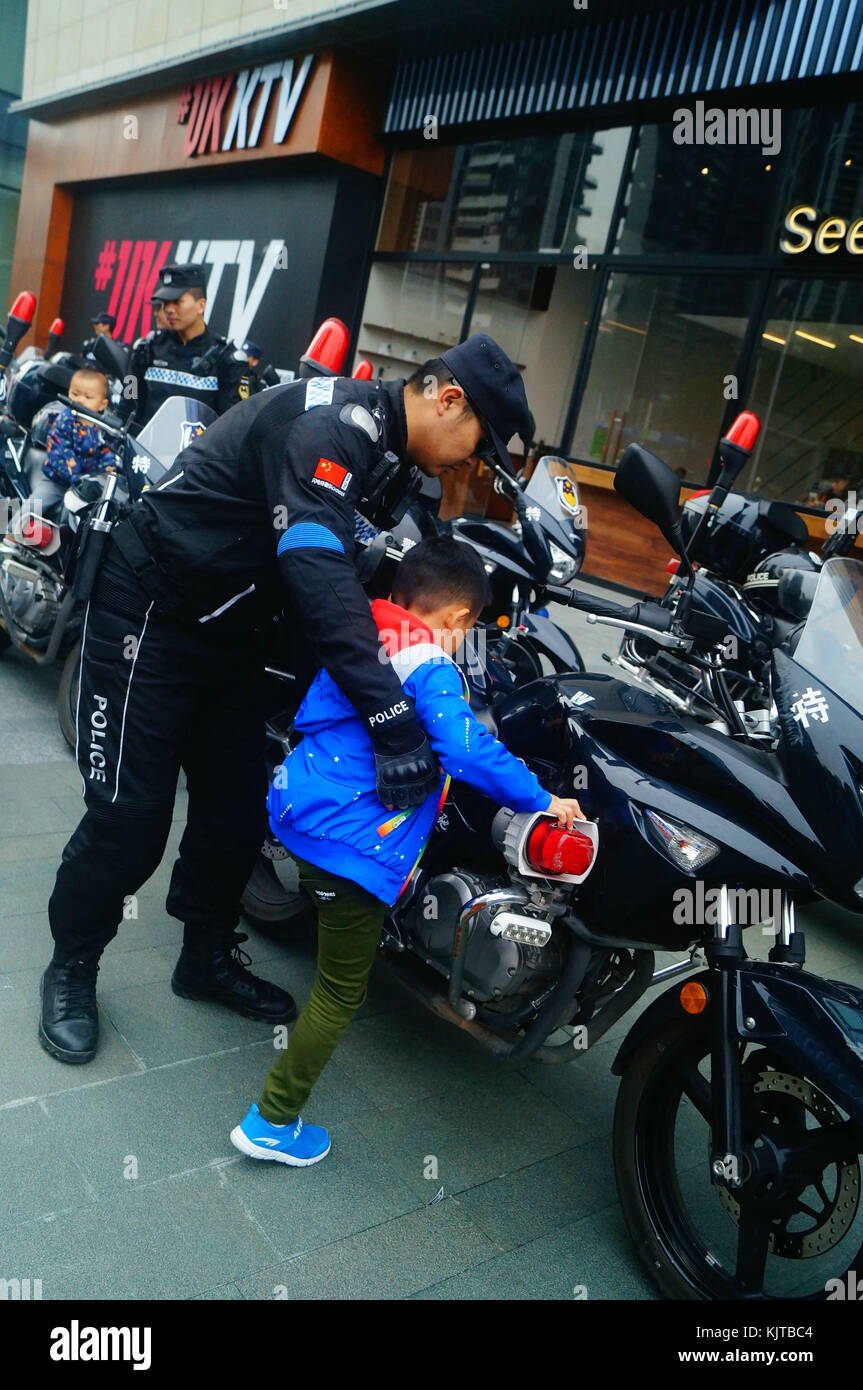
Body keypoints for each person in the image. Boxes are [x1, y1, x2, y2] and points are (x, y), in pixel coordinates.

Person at [39, 332, 536, 1067]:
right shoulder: (330, 426)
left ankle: (203, 956)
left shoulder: (395, 456)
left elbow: (390, 566)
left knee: (237, 810)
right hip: (153, 610)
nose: (470, 461)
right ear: (448, 398)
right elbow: (315, 568)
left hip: (241, 629)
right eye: (476, 442)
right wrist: (391, 718)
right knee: (130, 819)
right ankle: (72, 967)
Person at [230, 536, 586, 1165]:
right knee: (340, 992)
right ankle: (271, 1122)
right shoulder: (432, 665)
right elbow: (466, 749)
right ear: (458, 621)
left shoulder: (362, 631)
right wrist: (542, 799)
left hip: (296, 810)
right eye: (462, 634)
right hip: (345, 844)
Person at [117, 263, 251, 430]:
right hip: (145, 452)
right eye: (165, 302)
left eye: (177, 301)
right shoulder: (146, 349)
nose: (169, 310)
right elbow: (128, 403)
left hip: (198, 454)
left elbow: (233, 426)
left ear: (201, 305)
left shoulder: (227, 358)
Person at [28, 368, 117, 522]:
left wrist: (105, 477)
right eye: (75, 394)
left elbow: (107, 452)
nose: (80, 400)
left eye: (88, 397)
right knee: (36, 504)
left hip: (87, 487)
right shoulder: (65, 420)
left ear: (102, 404)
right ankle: (11, 535)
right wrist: (76, 477)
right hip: (58, 481)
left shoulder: (103, 428)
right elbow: (60, 451)